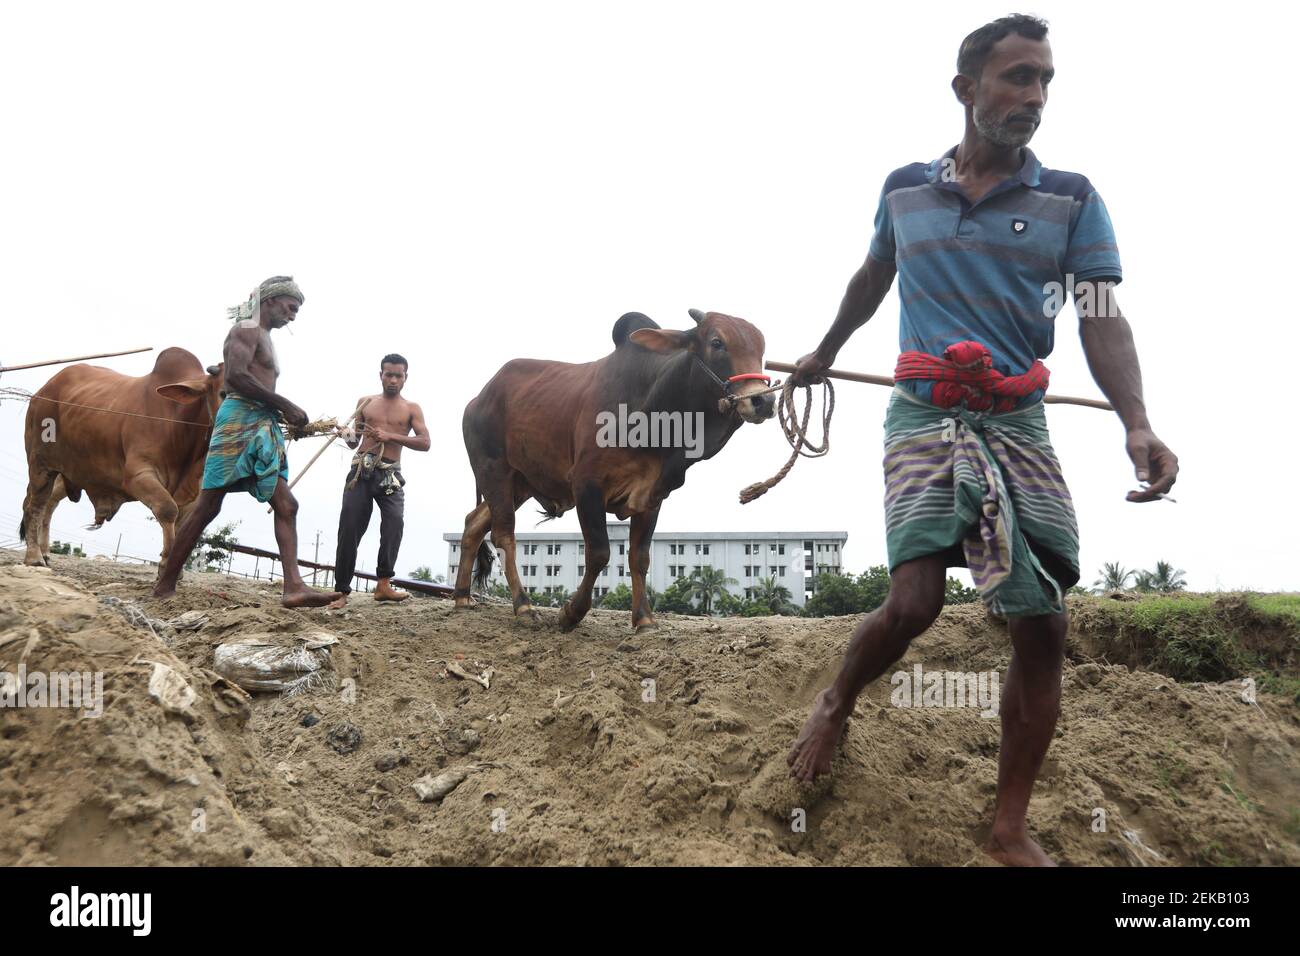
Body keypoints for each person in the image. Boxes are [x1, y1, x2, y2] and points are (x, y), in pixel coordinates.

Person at [784, 15, 1179, 866]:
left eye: (1044, 81)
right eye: (1017, 77)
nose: (1033, 97)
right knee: (916, 602)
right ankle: (839, 699)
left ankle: (1007, 829)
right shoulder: (903, 190)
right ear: (966, 89)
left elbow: (1100, 314)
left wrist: (1136, 420)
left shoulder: (1072, 198)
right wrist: (824, 350)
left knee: (1042, 625)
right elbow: (872, 275)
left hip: (1018, 419)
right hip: (924, 411)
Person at [152, 276, 342, 608]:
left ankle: (294, 587)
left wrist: (279, 412)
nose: (293, 316)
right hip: (239, 419)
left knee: (286, 504)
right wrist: (286, 404)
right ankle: (165, 585)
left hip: (262, 423)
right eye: (290, 307)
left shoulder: (265, 337)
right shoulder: (245, 329)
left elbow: (253, 379)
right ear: (270, 301)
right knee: (208, 506)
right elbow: (236, 377)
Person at [327, 354, 430, 609]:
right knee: (349, 527)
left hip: (390, 474)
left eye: (399, 375)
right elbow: (355, 440)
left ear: (406, 377)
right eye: (389, 374)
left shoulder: (411, 408)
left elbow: (425, 442)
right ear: (380, 375)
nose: (393, 380)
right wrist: (347, 434)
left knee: (394, 522)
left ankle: (383, 584)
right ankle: (341, 591)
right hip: (361, 470)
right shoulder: (365, 402)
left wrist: (390, 435)